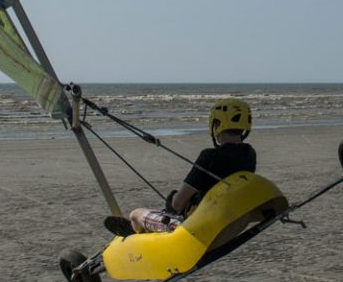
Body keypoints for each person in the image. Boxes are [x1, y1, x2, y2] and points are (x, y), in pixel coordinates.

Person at [108, 99, 259, 235]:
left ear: (217, 124)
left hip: (196, 225)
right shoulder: (250, 154)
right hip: (228, 218)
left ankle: (136, 237)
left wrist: (172, 199)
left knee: (136, 214)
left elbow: (178, 203)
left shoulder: (210, 156)